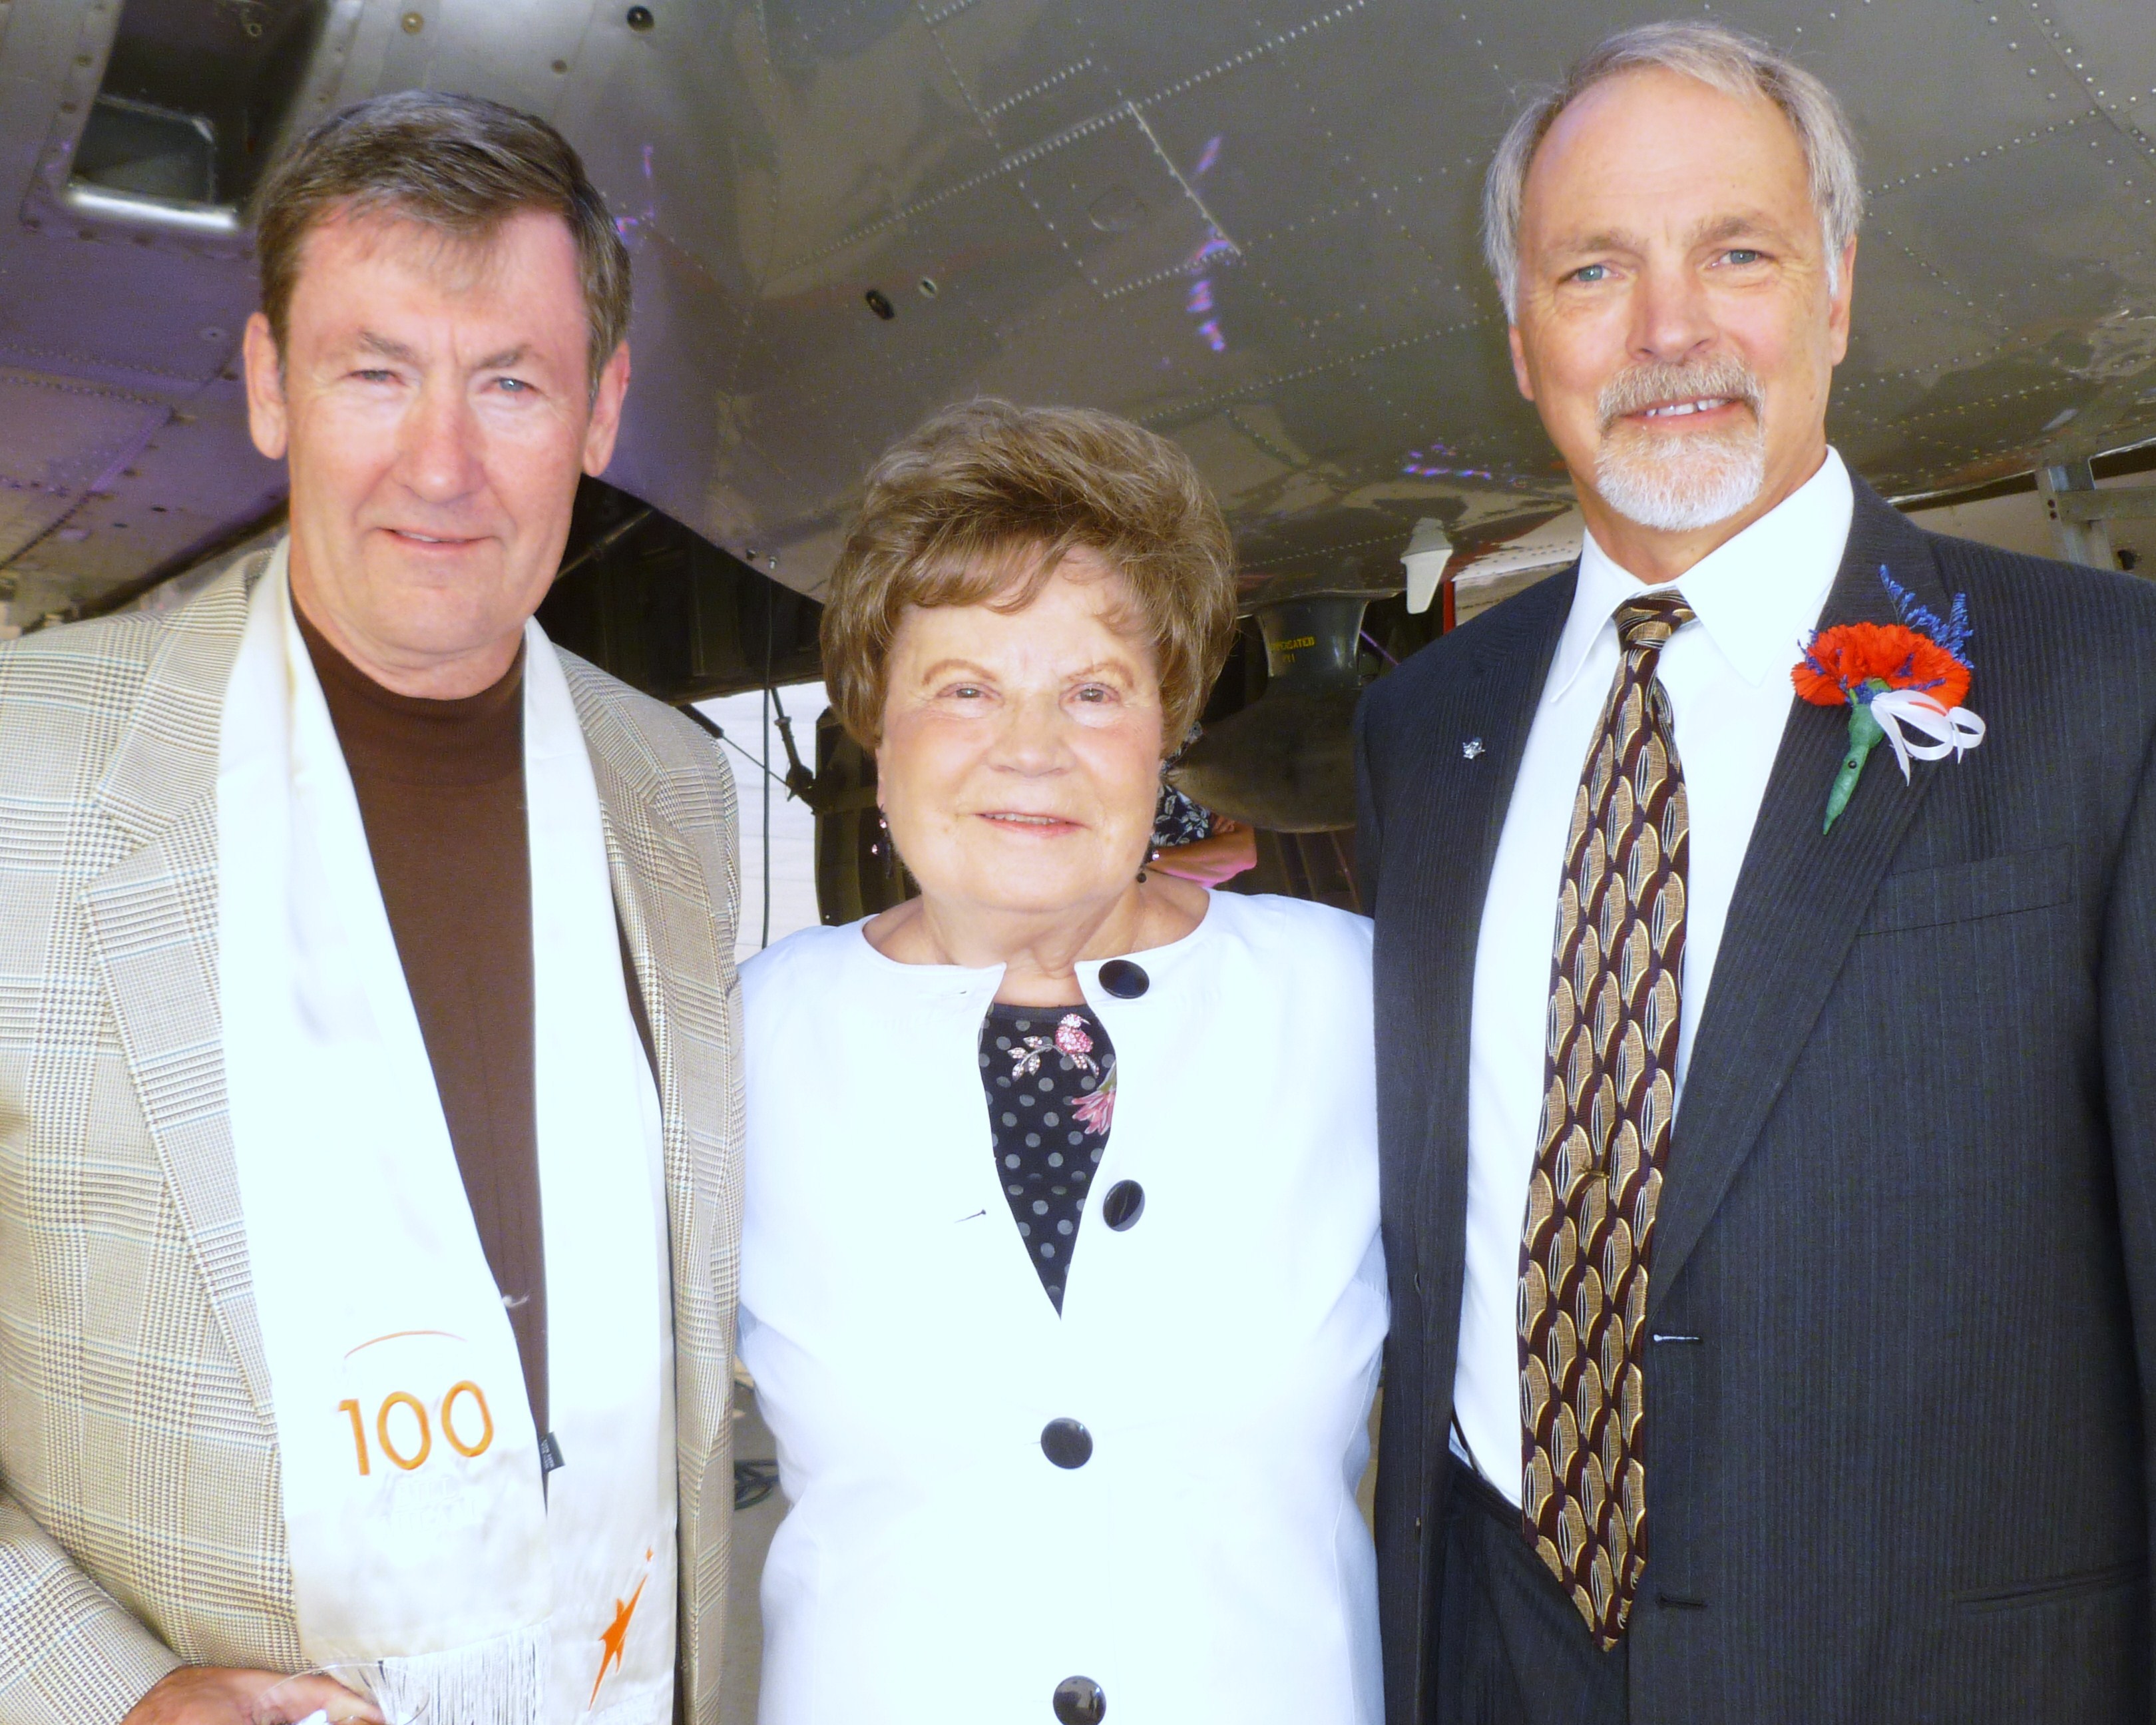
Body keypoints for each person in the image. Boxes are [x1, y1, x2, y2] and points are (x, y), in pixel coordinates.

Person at [1357, 21, 2156, 1724]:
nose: (1671, 331)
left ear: (1838, 292)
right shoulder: (1430, 735)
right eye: (1594, 270)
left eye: (1738, 252)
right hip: (1503, 1667)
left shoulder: (2110, 691)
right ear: (1520, 340)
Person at [0, 93, 742, 1725]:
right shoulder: (24, 783)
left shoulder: (677, 798)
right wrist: (96, 1693)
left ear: (605, 409)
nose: (442, 464)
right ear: (270, 384)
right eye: (375, 370)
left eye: (511, 382)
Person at [738, 401, 1386, 1724]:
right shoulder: (742, 1041)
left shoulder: (1354, 999)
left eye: (1094, 691)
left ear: (1168, 723)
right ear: (876, 718)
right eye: (964, 687)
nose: (1030, 749)